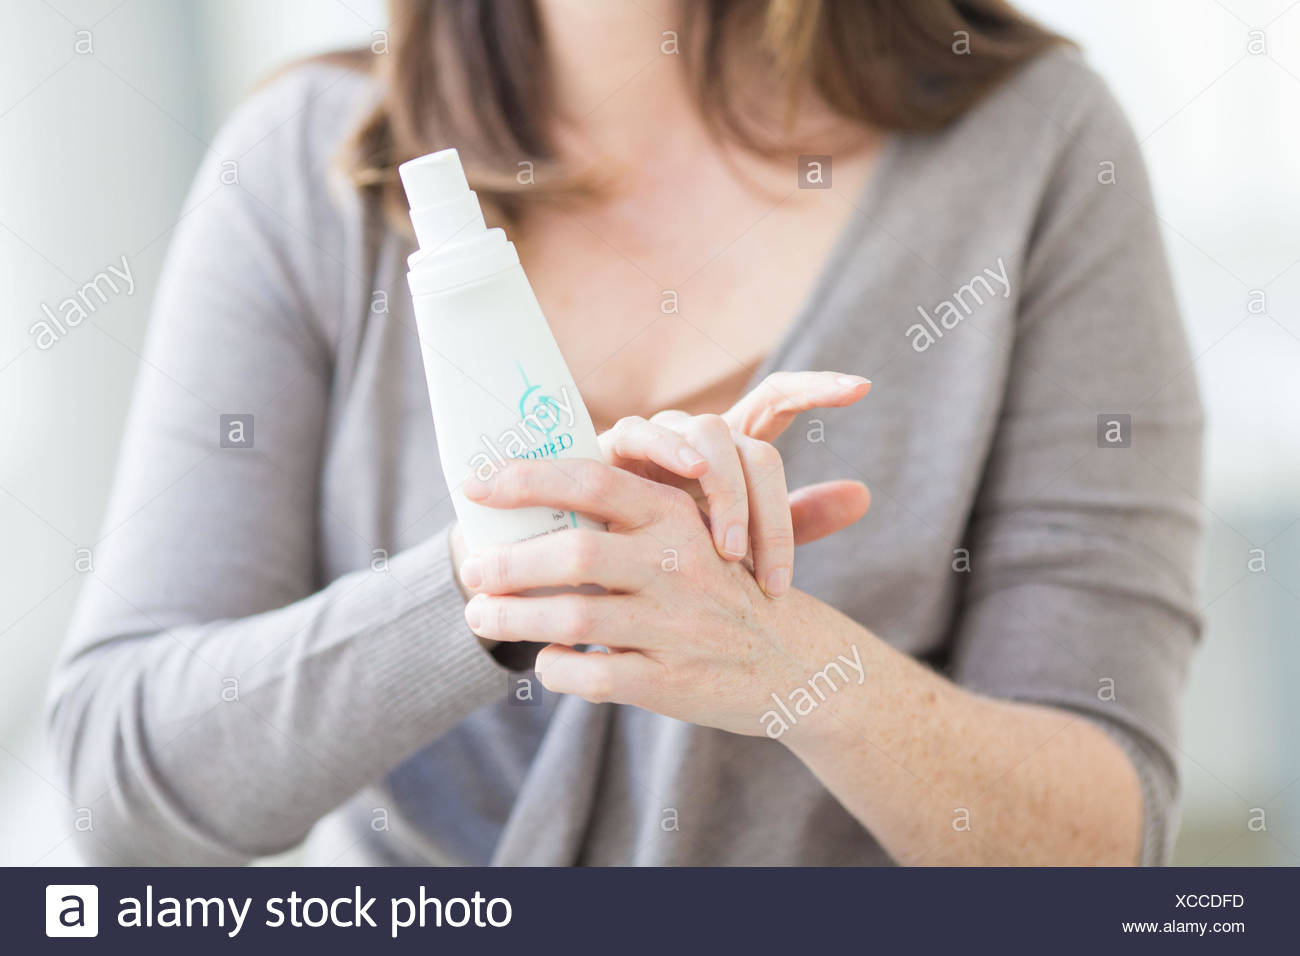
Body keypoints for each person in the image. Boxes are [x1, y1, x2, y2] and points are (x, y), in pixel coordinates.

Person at [48, 0, 1203, 866]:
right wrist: (512, 578)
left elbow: (1103, 839)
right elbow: (119, 788)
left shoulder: (1032, 149)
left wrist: (793, 665)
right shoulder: (307, 165)